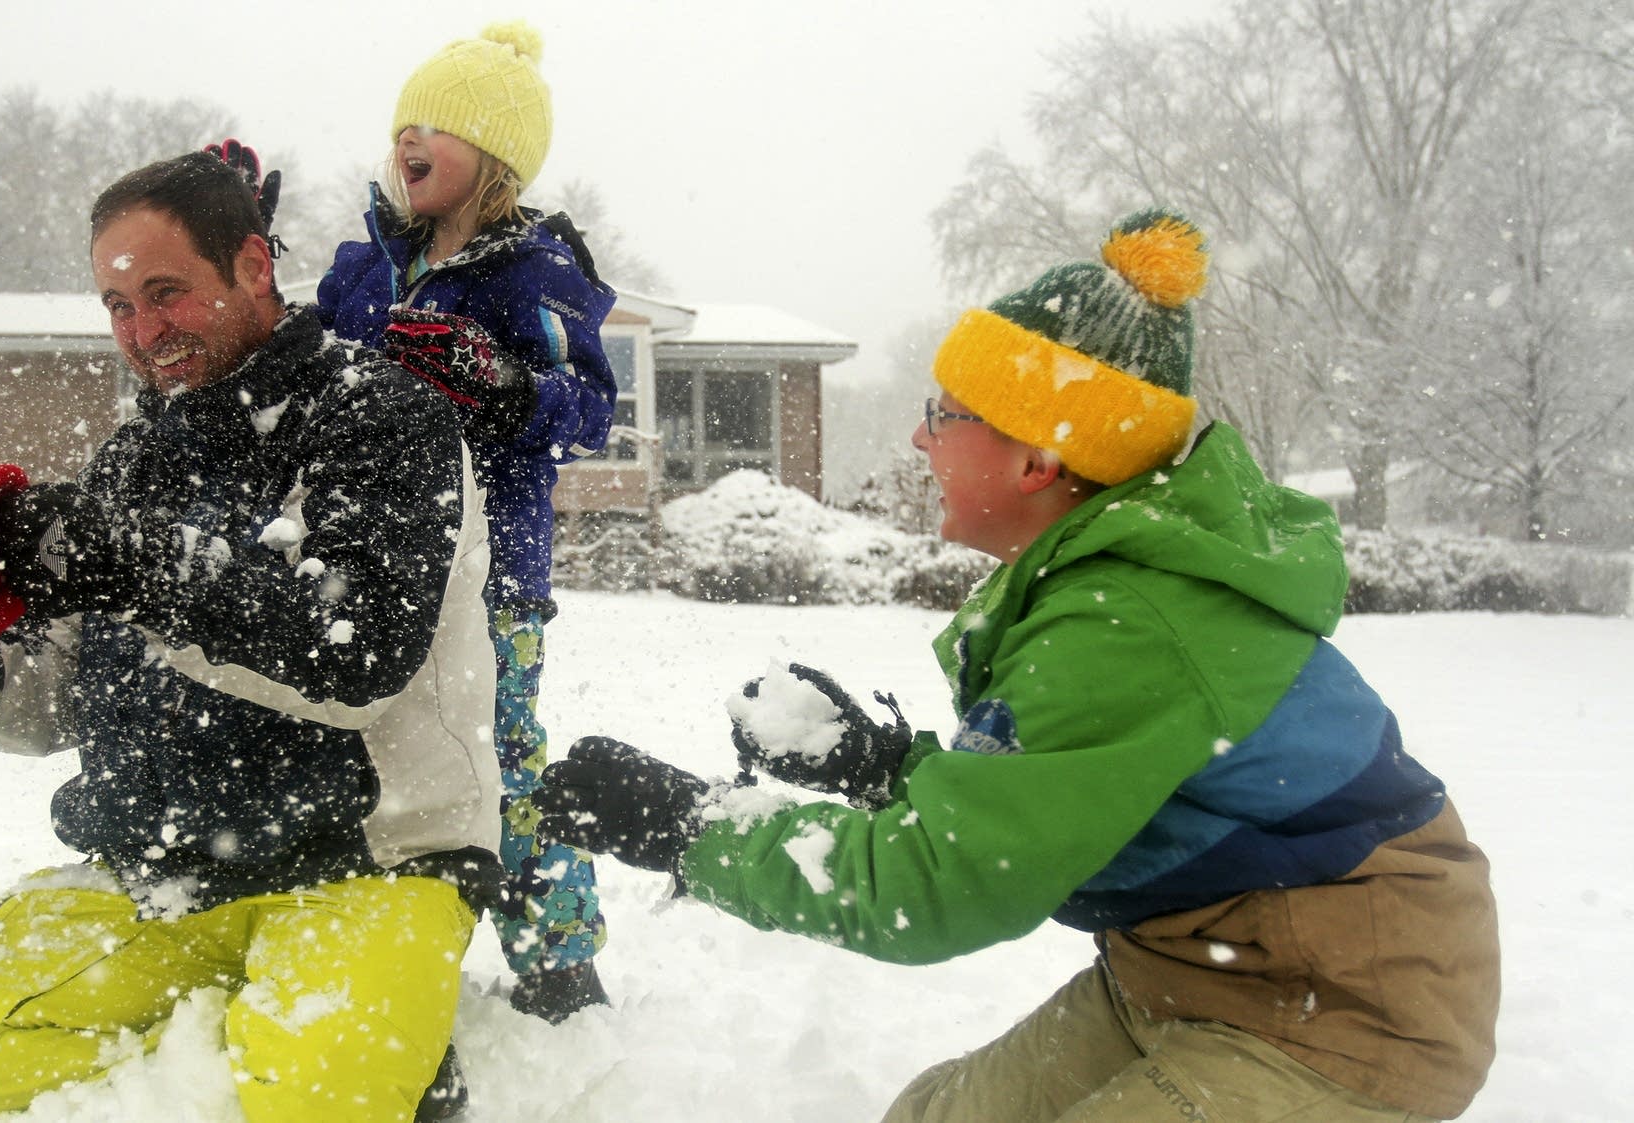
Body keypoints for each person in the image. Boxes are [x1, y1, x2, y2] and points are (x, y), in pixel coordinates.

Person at [534, 210, 1501, 1121]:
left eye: (944, 413)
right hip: (1191, 971)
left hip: (1338, 1012)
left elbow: (937, 885)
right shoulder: (1089, 581)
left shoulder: (1129, 621)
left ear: (1039, 460)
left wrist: (689, 826)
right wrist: (882, 769)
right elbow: (1045, 800)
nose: (918, 436)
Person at [0, 145, 499, 1122]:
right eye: (119, 307)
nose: (144, 332)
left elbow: (352, 650)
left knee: (313, 1100)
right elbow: (53, 700)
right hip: (156, 873)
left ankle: (362, 1039)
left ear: (251, 266)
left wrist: (115, 560)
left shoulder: (378, 416)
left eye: (167, 292)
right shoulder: (132, 462)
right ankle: (239, 1029)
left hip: (366, 864)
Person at [315, 19, 617, 1023]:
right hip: (358, 554)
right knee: (362, 758)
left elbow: (587, 413)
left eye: (431, 127)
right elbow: (298, 366)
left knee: (500, 768)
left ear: (493, 155)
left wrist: (503, 387)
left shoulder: (535, 274)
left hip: (489, 573)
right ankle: (383, 941)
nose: (406, 141)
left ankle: (557, 961)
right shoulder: (365, 265)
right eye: (401, 122)